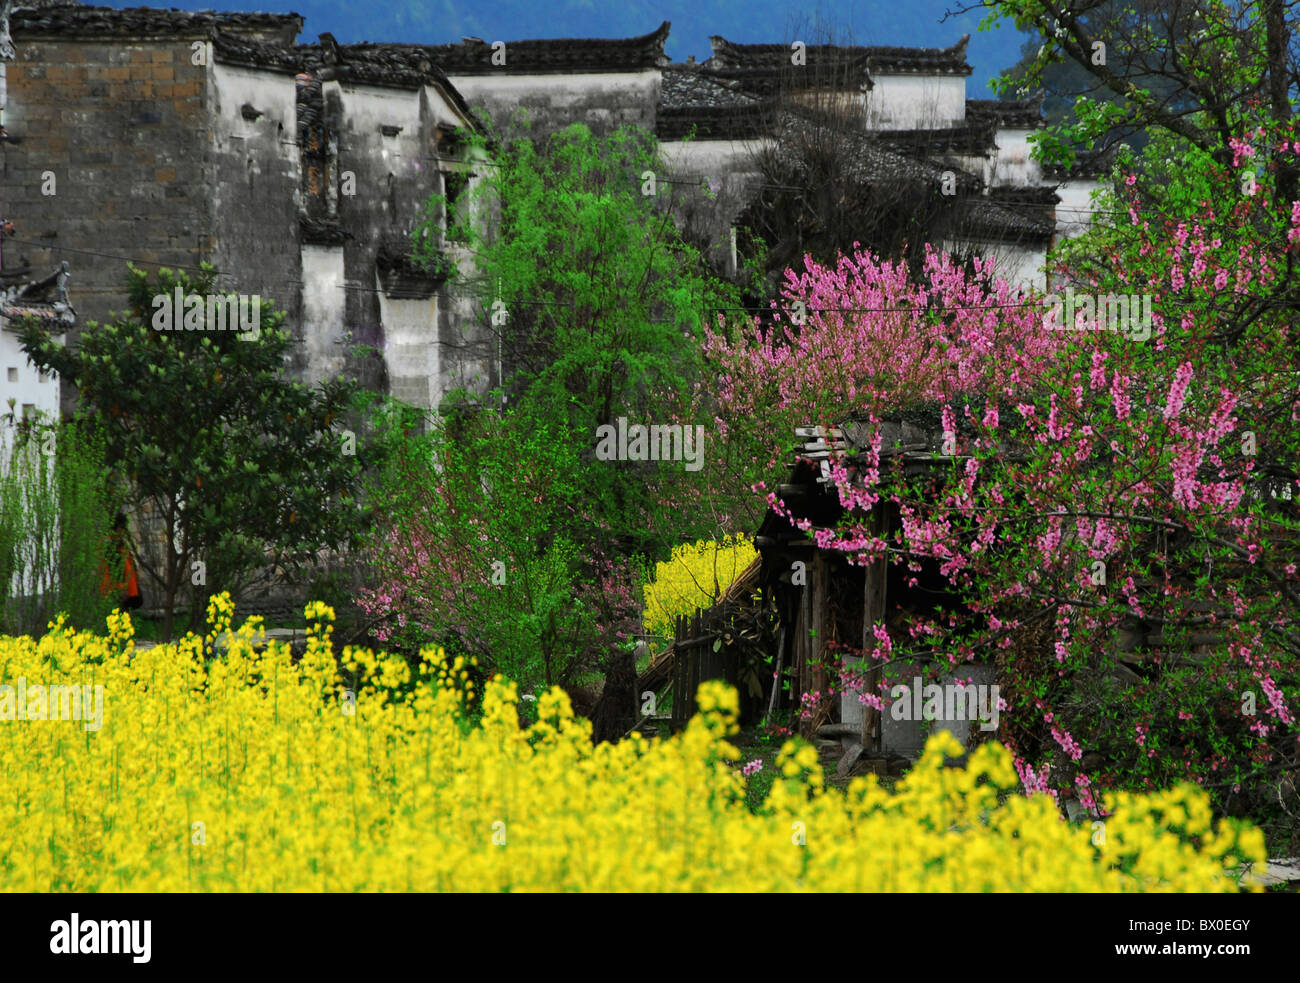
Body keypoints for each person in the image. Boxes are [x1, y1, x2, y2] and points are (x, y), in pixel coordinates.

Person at [99, 512, 142, 610]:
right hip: (119, 594)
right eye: (122, 528)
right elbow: (114, 571)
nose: (123, 531)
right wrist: (120, 589)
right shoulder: (111, 546)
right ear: (117, 528)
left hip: (124, 592)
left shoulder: (119, 544)